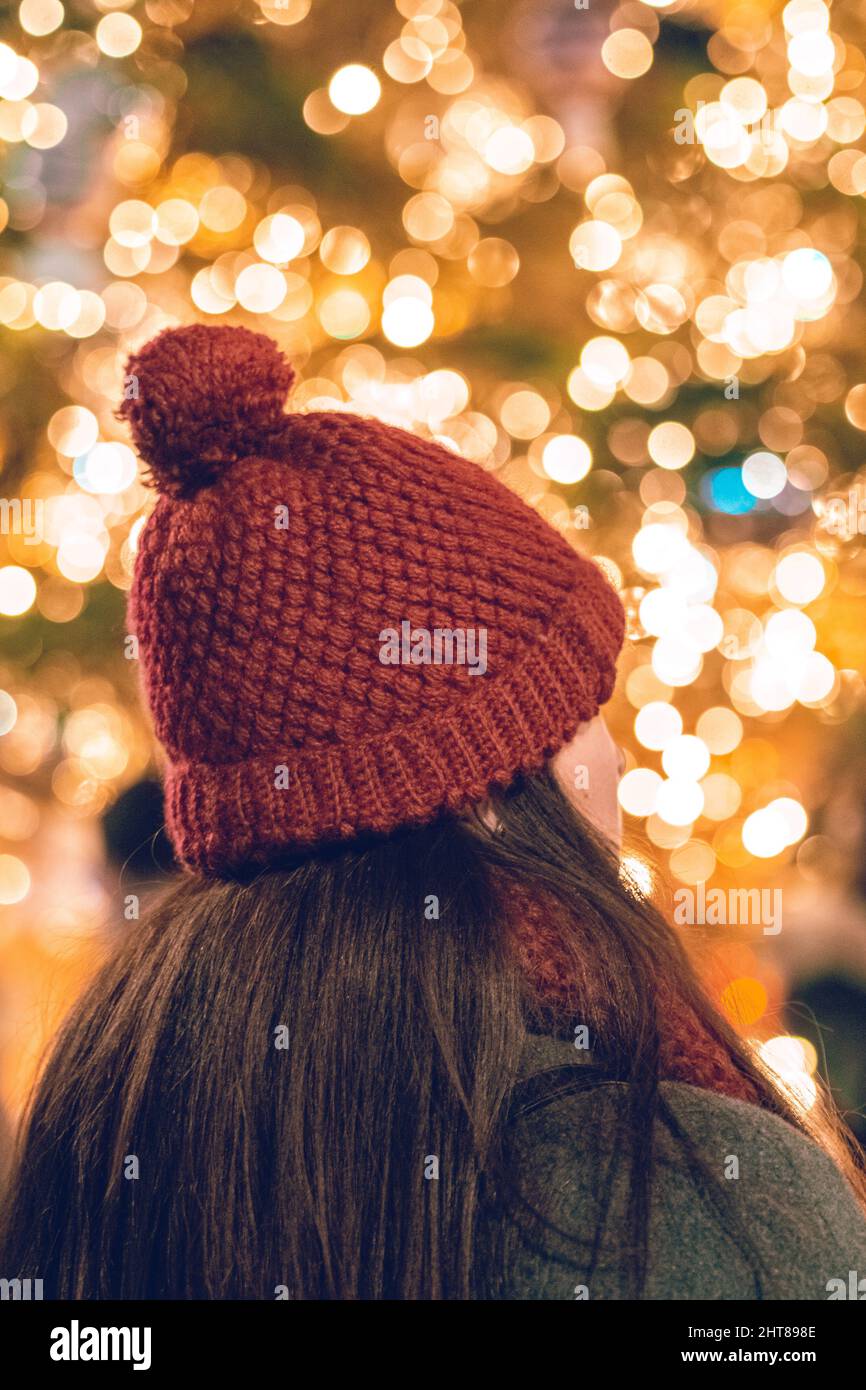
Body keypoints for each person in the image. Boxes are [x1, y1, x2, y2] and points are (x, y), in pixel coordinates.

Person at [1, 324, 864, 1301]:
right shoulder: (702, 1195)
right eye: (583, 706)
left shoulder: (106, 1115)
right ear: (495, 778)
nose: (613, 753)